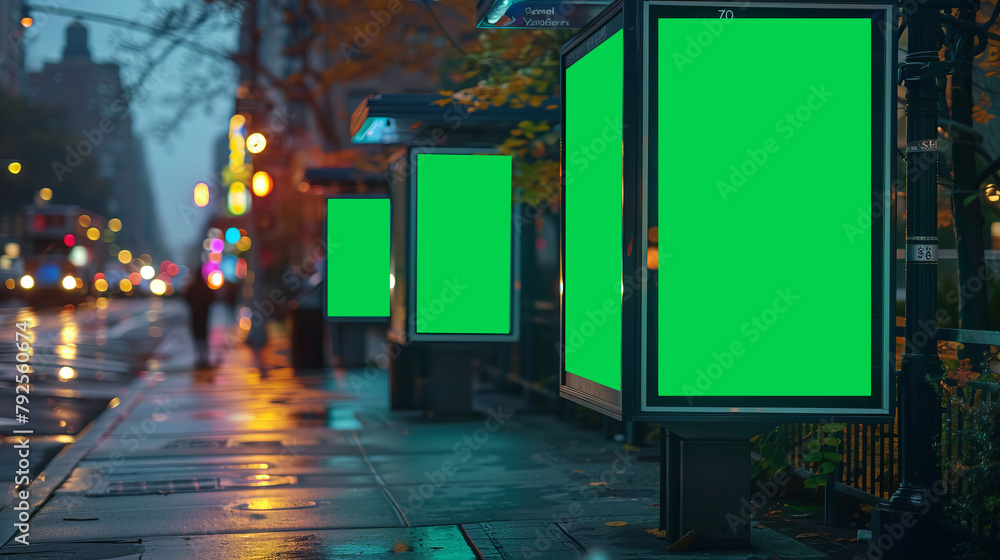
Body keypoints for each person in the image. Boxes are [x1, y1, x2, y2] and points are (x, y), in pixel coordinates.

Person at [184, 268, 214, 368]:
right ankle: (204, 354)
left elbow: (186, 297)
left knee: (197, 334)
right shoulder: (205, 287)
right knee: (203, 334)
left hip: (195, 315)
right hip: (204, 314)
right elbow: (212, 297)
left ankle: (199, 354)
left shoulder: (192, 287)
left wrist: (193, 306)